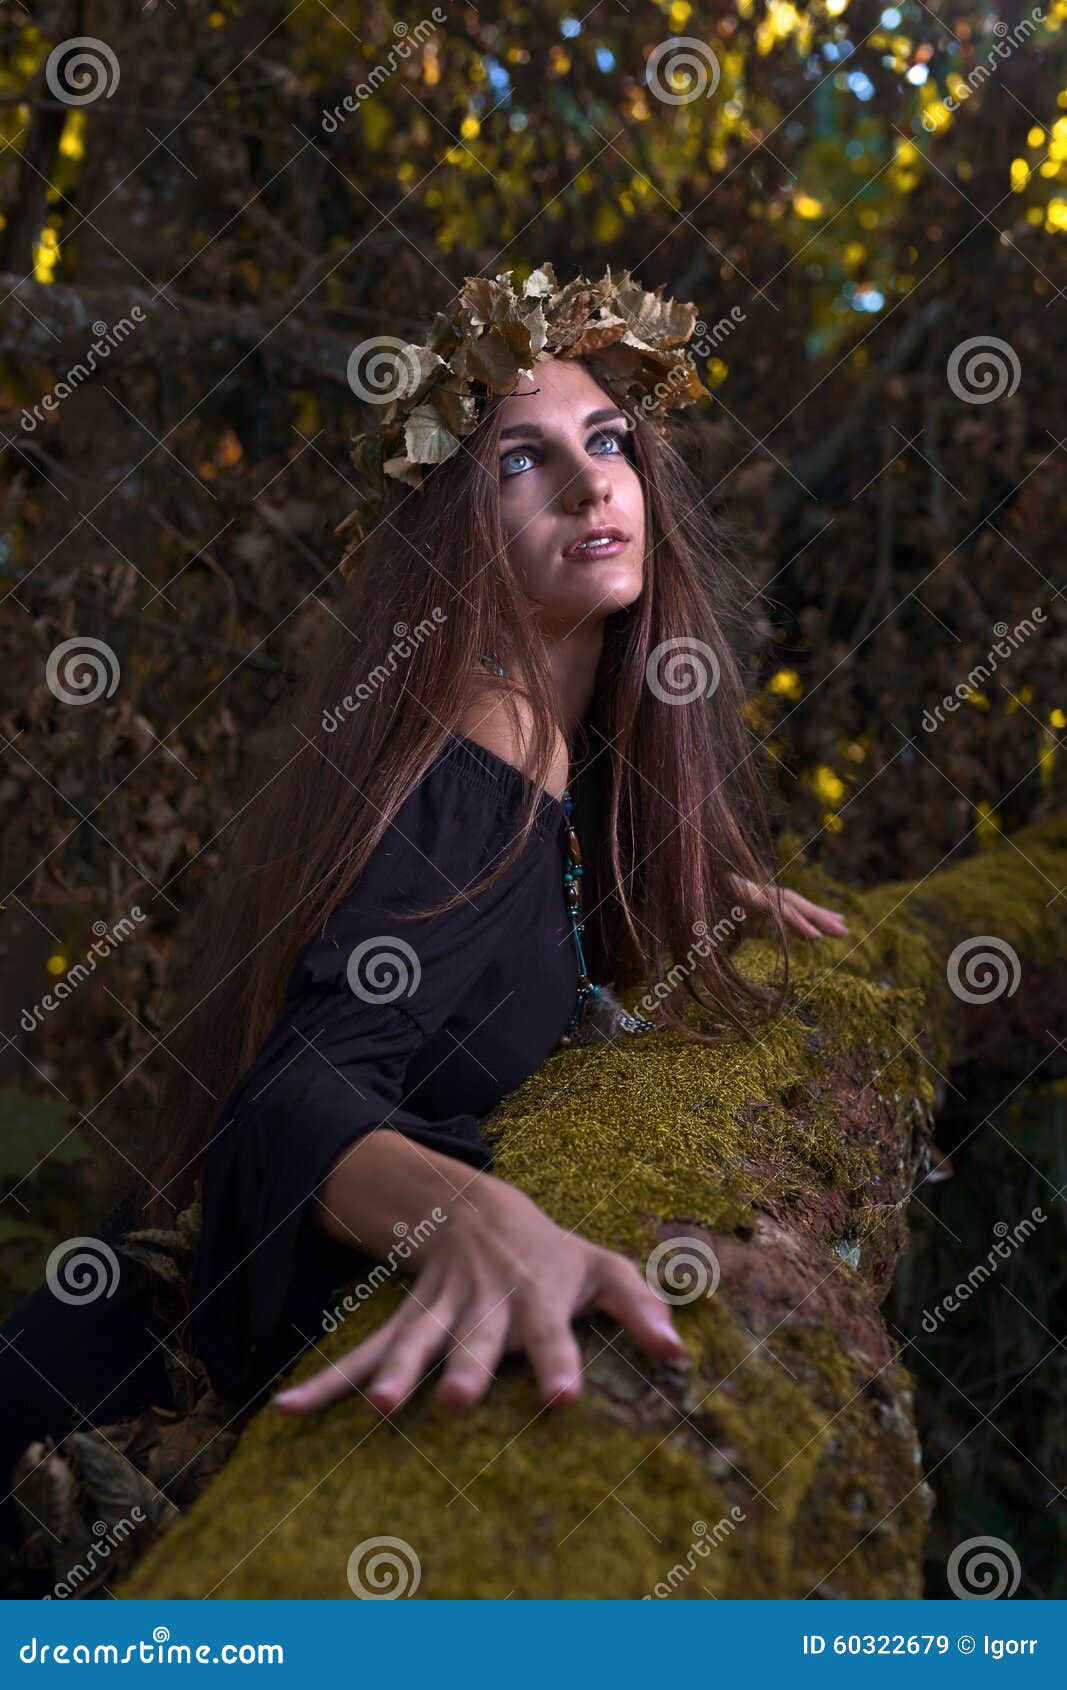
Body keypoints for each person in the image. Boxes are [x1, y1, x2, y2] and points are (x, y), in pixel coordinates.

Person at [0, 264, 846, 1552]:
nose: (587, 480)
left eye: (606, 438)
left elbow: (524, 917)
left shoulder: (561, 750)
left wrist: (687, 885)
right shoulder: (479, 746)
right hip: (79, 1410)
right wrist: (478, 1218)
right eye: (521, 461)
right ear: (454, 527)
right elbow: (293, 1093)